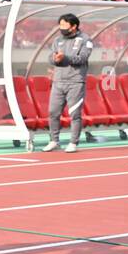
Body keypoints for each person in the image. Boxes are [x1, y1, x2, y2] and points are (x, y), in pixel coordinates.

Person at [43, 13, 92, 153]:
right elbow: (51, 58)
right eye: (60, 25)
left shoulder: (85, 39)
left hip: (76, 81)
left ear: (74, 26)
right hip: (58, 81)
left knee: (74, 114)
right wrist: (55, 60)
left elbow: (82, 58)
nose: (61, 28)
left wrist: (65, 58)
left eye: (64, 25)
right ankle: (54, 141)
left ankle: (73, 142)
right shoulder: (57, 40)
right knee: (53, 112)